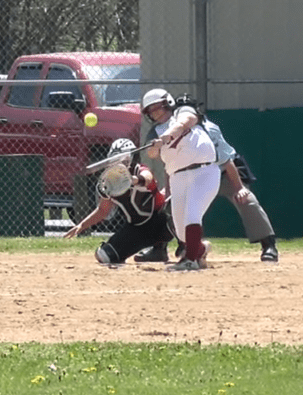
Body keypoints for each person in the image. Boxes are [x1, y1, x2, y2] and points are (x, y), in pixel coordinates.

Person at [136, 96, 279, 263]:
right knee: (169, 207)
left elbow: (226, 160)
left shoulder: (205, 129)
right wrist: (168, 190)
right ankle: (166, 248)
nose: (157, 113)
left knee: (247, 201)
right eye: (151, 111)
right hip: (188, 176)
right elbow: (172, 166)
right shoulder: (164, 131)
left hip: (223, 172)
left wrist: (239, 188)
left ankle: (268, 245)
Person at [143, 88, 219, 271]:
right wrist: (154, 146)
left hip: (204, 171)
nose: (155, 113)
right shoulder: (154, 132)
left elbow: (186, 122)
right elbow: (151, 153)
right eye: (150, 111)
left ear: (167, 103)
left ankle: (190, 260)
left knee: (192, 213)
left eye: (158, 107)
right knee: (180, 229)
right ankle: (199, 249)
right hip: (178, 177)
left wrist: (167, 136)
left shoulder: (182, 111)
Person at [64, 138, 175, 265]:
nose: (120, 163)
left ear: (133, 157)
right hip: (136, 228)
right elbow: (102, 211)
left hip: (159, 220)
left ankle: (183, 247)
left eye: (124, 159)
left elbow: (148, 178)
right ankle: (157, 253)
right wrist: (82, 225)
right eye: (115, 159)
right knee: (104, 255)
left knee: (173, 206)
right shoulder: (109, 183)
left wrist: (132, 180)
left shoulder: (140, 170)